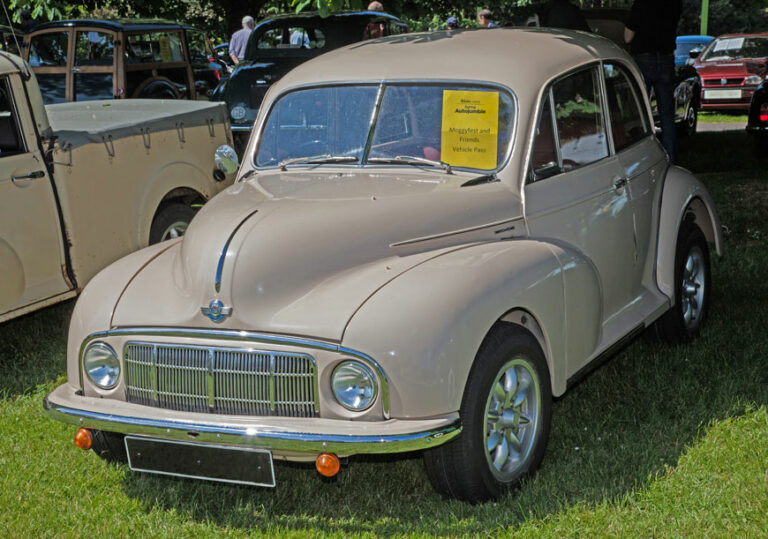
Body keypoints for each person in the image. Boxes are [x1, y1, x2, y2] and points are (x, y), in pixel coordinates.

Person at [625, 0, 682, 163]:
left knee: (639, 111)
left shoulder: (641, 4)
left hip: (643, 58)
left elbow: (627, 37)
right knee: (667, 114)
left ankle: (641, 158)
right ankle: (670, 158)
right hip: (666, 58)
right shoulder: (674, 4)